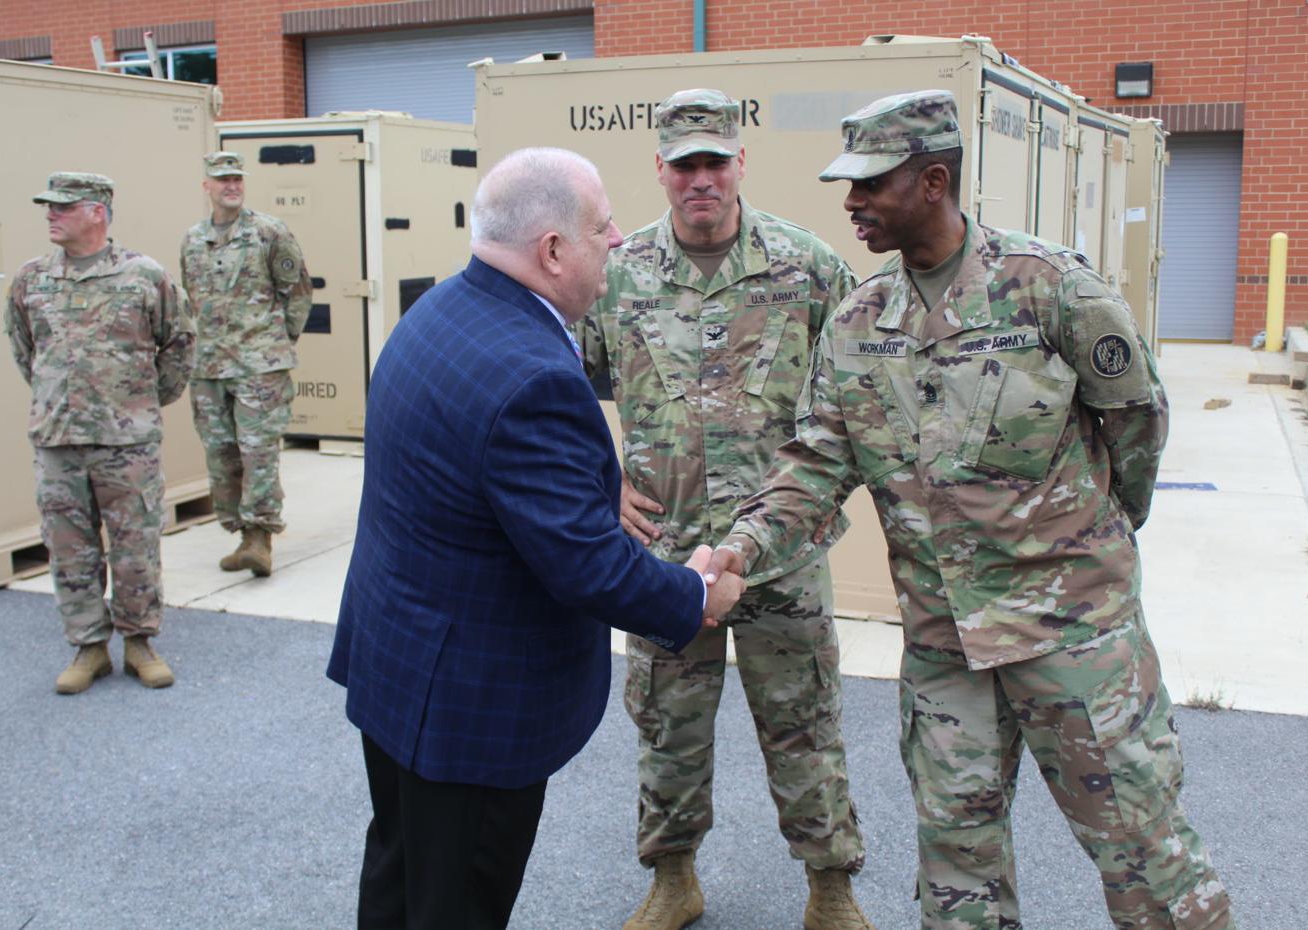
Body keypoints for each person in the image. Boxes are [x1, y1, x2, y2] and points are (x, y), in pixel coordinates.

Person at [708, 90, 1235, 930]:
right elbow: (814, 463)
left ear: (933, 181)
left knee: (1145, 856)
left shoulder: (1052, 289)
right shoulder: (855, 322)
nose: (851, 204)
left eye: (870, 185)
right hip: (944, 646)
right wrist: (741, 547)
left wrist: (1091, 544)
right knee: (959, 873)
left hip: (1073, 639)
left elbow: (1136, 424)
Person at [326, 147, 746, 930]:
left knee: (399, 874)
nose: (619, 238)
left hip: (399, 670)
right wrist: (695, 592)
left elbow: (478, 481)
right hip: (469, 713)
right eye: (601, 225)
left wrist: (579, 487)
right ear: (553, 250)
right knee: (458, 904)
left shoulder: (440, 311)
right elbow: (589, 570)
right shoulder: (533, 373)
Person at [574, 88, 874, 930]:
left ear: (740, 163)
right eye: (684, 164)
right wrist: (603, 481)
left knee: (805, 724)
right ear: (660, 172)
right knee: (667, 728)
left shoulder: (807, 267)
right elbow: (562, 391)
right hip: (664, 554)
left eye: (715, 161)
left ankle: (831, 888)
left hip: (781, 552)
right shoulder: (619, 274)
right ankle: (673, 879)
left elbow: (855, 397)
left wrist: (821, 502)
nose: (700, 178)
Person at [5, 172, 194, 694]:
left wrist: (142, 403)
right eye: (48, 206)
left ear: (97, 212)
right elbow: (26, 350)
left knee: (135, 545)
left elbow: (178, 344)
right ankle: (89, 647)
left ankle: (139, 643)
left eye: (63, 207)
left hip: (126, 441)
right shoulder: (31, 279)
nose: (51, 214)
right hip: (58, 441)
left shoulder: (142, 276)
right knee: (69, 548)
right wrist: (59, 399)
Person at [179, 151, 312, 577]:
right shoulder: (193, 239)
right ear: (207, 187)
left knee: (258, 453)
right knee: (221, 454)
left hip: (260, 365)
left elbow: (297, 291)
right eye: (222, 180)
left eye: (237, 179)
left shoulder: (268, 232)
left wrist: (277, 343)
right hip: (210, 367)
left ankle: (260, 538)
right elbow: (193, 296)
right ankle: (239, 531)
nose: (231, 186)